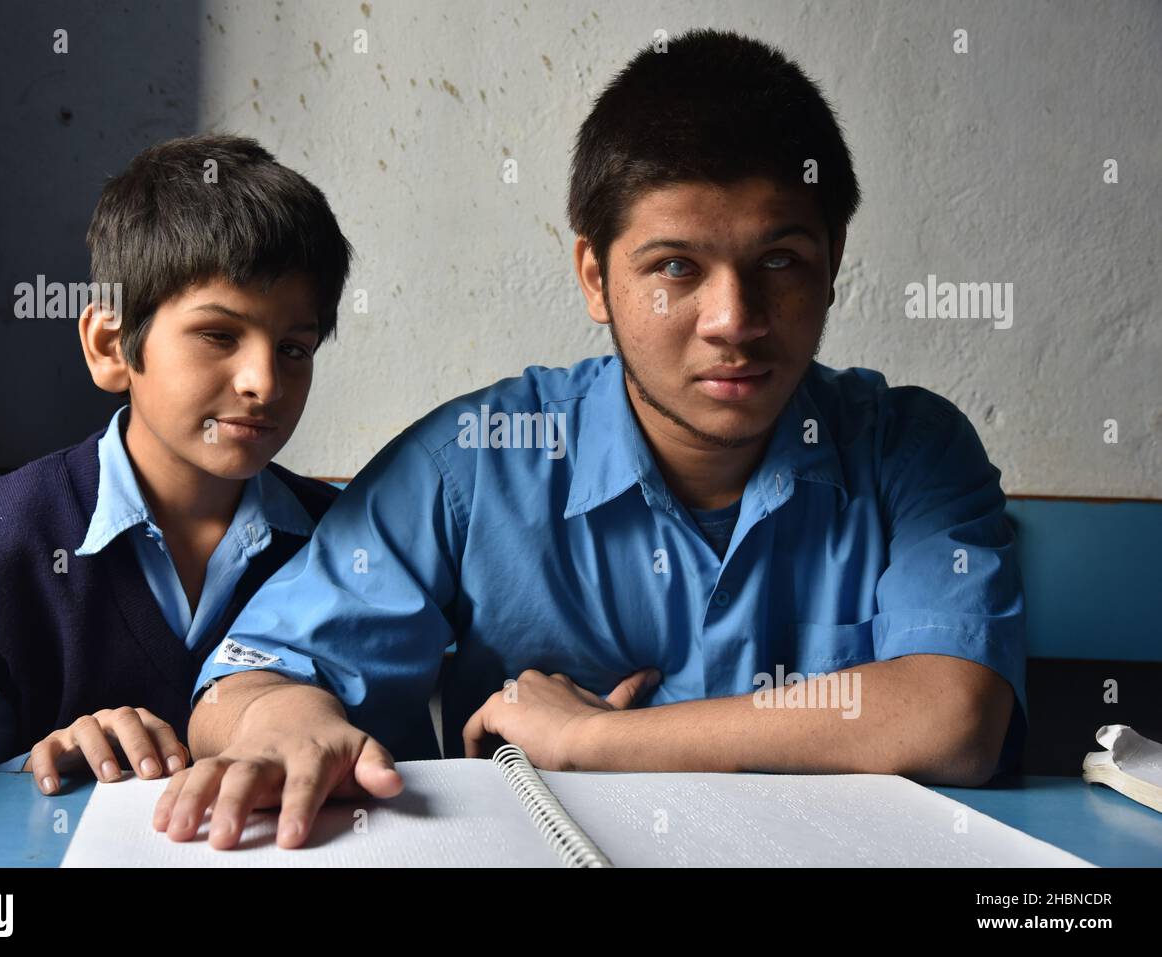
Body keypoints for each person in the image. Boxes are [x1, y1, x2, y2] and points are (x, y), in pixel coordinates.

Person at [156, 29, 1025, 851]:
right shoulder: (476, 463)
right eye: (676, 268)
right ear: (595, 279)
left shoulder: (913, 450)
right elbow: (249, 679)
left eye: (780, 261)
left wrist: (599, 738)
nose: (734, 321)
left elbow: (953, 717)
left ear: (833, 260)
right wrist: (284, 721)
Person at [0, 135, 352, 797]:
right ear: (110, 346)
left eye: (295, 347)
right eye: (220, 334)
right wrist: (34, 772)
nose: (263, 381)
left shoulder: (351, 548)